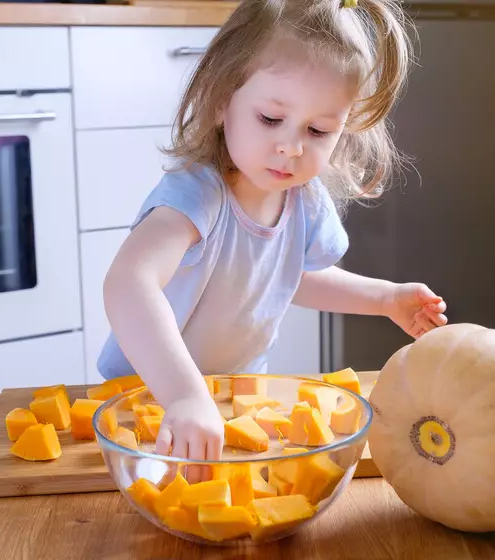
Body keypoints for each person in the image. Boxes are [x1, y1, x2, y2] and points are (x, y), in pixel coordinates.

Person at [97, 0, 448, 462]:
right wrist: (183, 396)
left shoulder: (305, 200)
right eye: (270, 119)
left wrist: (385, 298)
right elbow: (128, 282)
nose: (291, 147)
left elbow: (291, 277)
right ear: (221, 100)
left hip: (236, 401)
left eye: (319, 130)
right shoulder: (196, 196)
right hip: (150, 403)